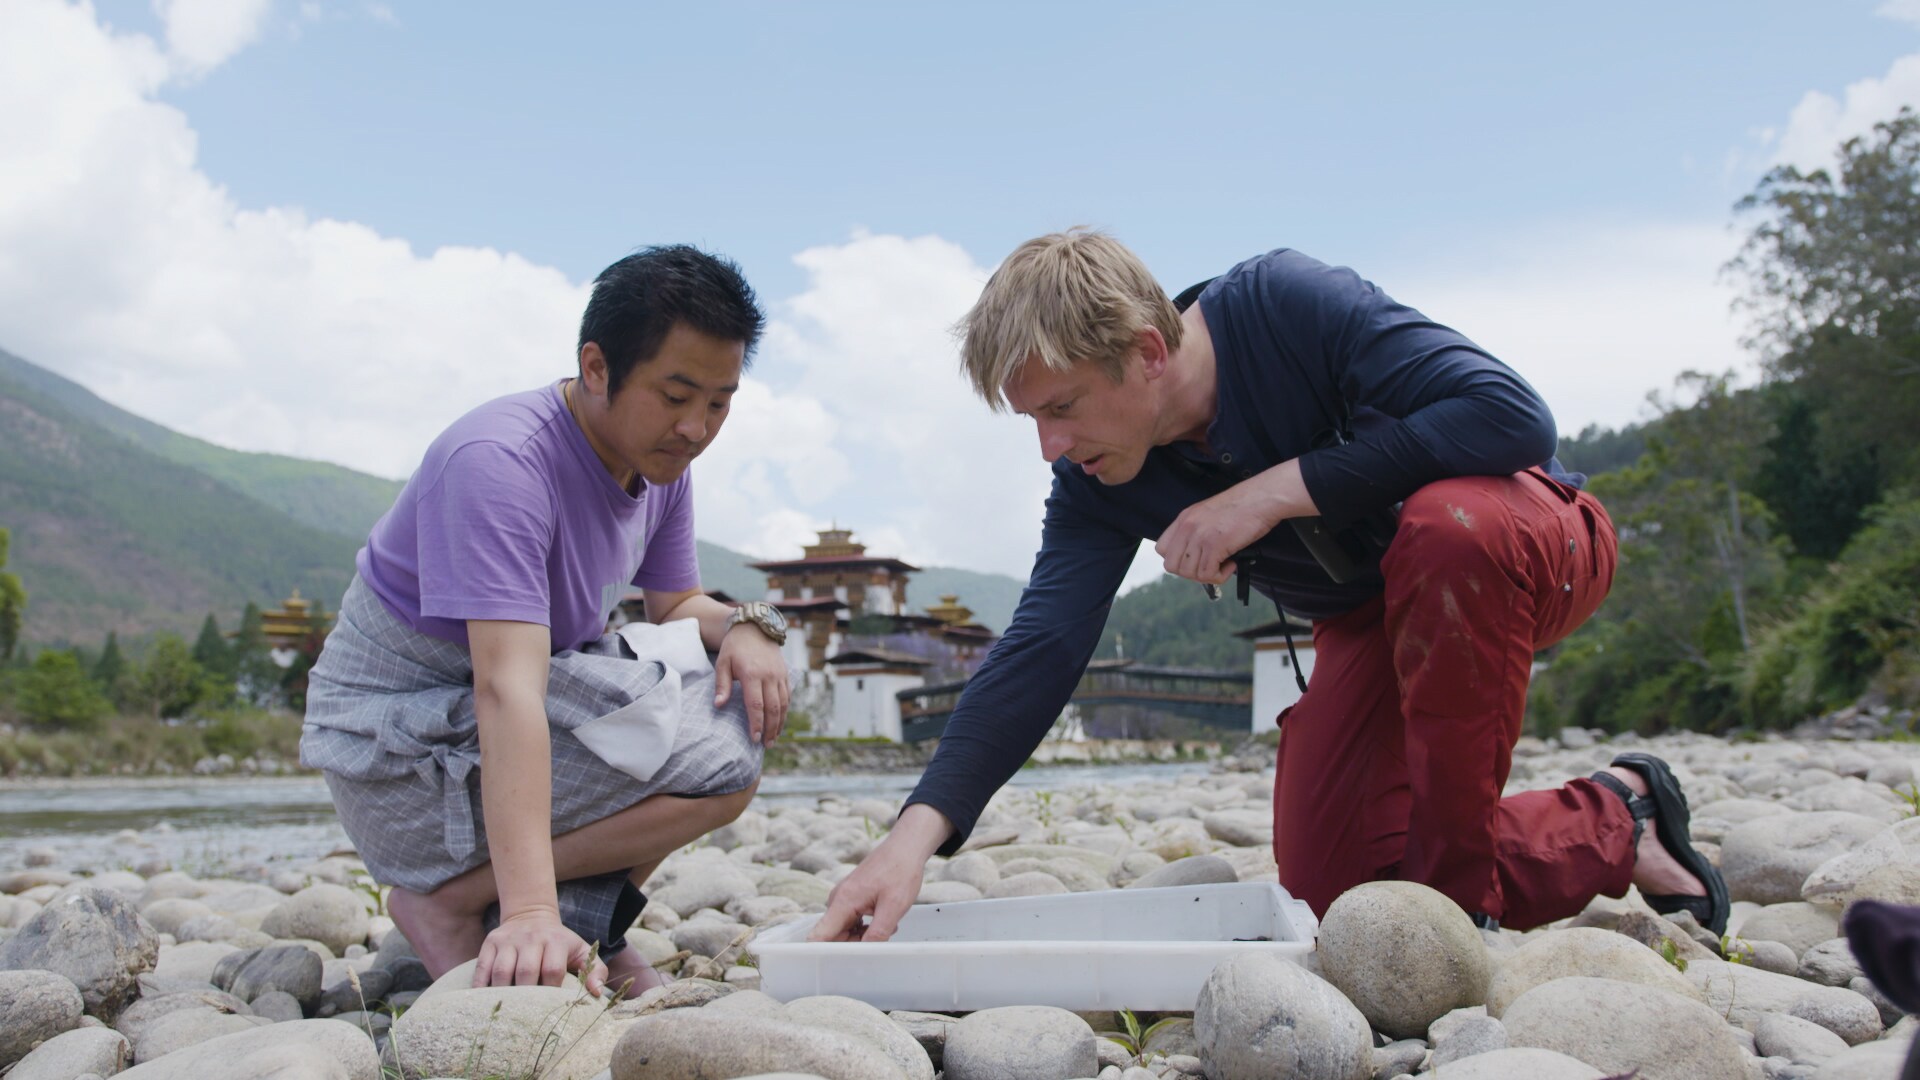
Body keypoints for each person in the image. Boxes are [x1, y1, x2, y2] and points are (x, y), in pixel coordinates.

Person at [814, 228, 1727, 943]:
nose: (1050, 446)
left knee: (1448, 529)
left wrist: (1266, 495)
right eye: (1032, 419)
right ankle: (1619, 818)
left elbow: (1512, 416)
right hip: (1370, 619)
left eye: (1062, 408)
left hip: (1523, 540)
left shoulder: (1289, 305)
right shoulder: (1098, 478)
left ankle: (1458, 915)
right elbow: (1040, 650)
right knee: (1332, 899)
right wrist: (911, 841)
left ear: (1146, 352)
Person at [302, 245, 793, 996]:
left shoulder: (659, 464)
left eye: (719, 403)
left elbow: (678, 607)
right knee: (714, 752)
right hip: (399, 761)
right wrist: (528, 910)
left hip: (485, 725)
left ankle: (588, 922)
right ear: (596, 368)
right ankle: (456, 906)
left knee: (731, 723)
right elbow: (508, 690)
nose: (696, 428)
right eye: (676, 395)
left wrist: (753, 623)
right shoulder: (500, 462)